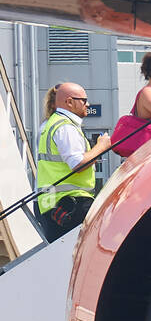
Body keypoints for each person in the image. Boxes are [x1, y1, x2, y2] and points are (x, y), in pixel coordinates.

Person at [35, 83, 112, 241]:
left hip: (52, 202)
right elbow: (78, 163)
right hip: (68, 202)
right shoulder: (66, 128)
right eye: (84, 100)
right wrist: (101, 146)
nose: (88, 104)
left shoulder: (50, 124)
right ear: (69, 102)